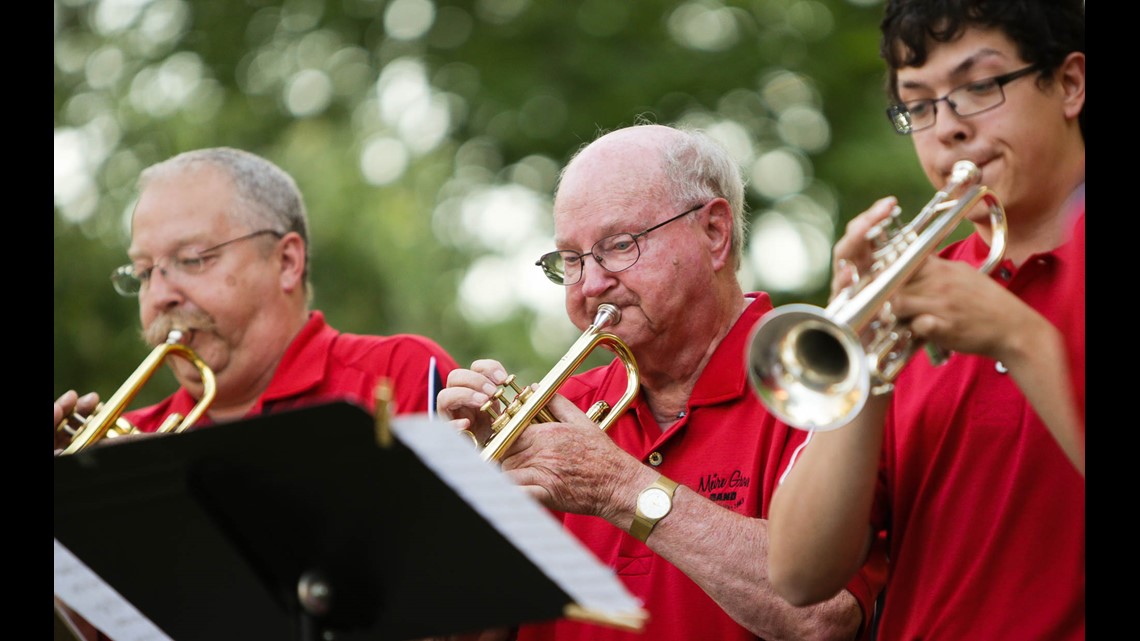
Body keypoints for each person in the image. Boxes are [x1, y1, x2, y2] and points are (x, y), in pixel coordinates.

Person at [437, 123, 887, 641]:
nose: (591, 283)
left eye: (619, 245)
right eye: (571, 260)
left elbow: (822, 616)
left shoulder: (820, 382)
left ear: (714, 233)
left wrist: (620, 487)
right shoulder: (563, 414)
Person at [766, 1, 1085, 639]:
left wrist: (1019, 338)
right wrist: (861, 366)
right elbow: (798, 575)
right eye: (919, 104)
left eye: (979, 86)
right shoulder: (919, 293)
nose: (946, 129)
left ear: (1070, 84)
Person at [54, 147, 460, 638]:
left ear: (287, 261)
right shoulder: (130, 442)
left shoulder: (398, 374)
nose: (160, 295)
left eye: (191, 259)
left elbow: (464, 608)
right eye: (143, 273)